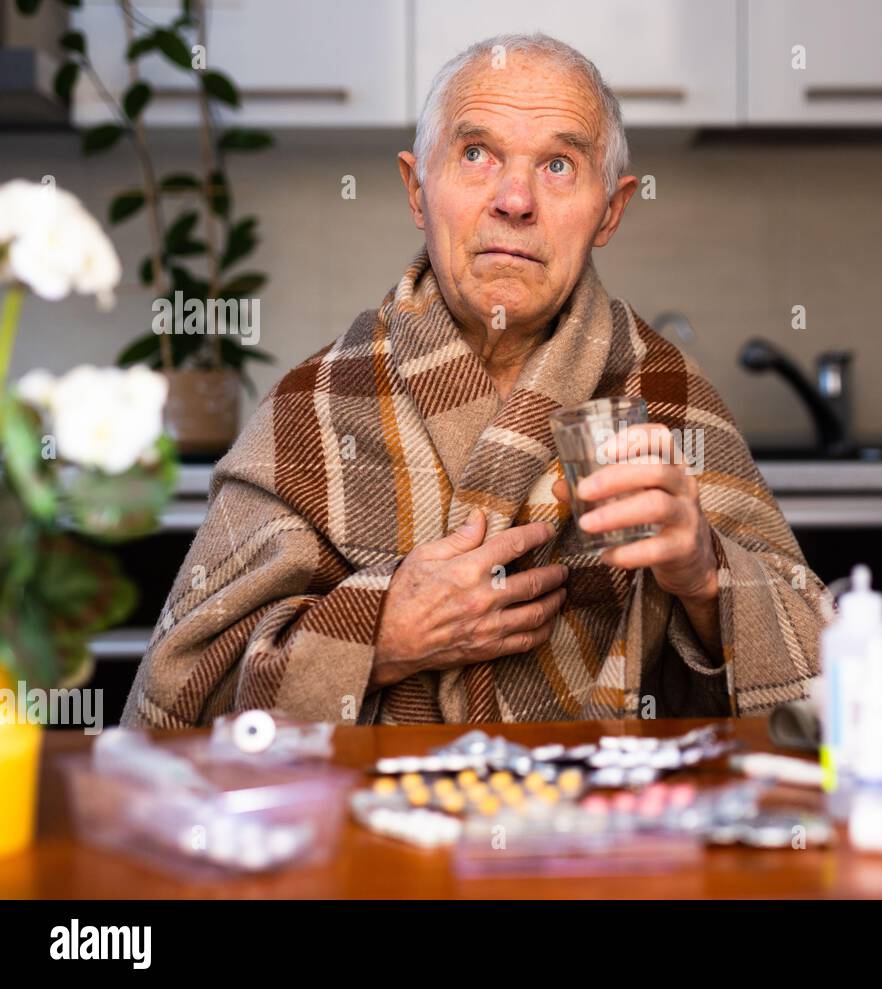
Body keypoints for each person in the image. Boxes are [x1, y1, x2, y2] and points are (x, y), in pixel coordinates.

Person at [123, 33, 825, 727]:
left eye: (557, 165)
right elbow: (175, 701)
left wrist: (705, 576)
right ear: (417, 189)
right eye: (477, 153)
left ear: (610, 208)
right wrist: (380, 635)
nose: (515, 199)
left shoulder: (667, 394)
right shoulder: (311, 410)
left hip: (601, 831)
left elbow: (828, 679)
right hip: (372, 834)